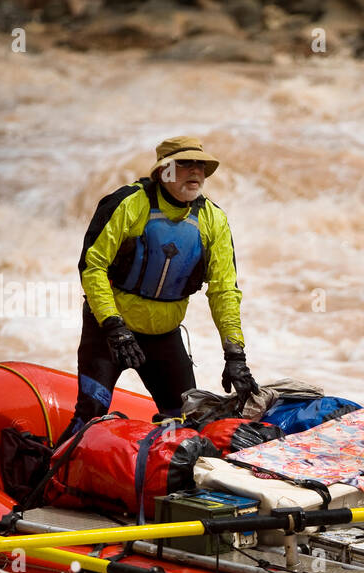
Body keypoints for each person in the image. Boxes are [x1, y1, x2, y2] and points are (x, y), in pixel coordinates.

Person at [55, 136, 257, 447]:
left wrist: (235, 355)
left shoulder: (213, 220)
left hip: (163, 337)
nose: (196, 172)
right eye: (186, 164)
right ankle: (49, 475)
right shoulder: (128, 204)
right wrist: (114, 327)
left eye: (201, 166)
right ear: (163, 171)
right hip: (109, 336)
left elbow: (224, 290)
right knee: (90, 414)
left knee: (186, 424)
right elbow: (92, 267)